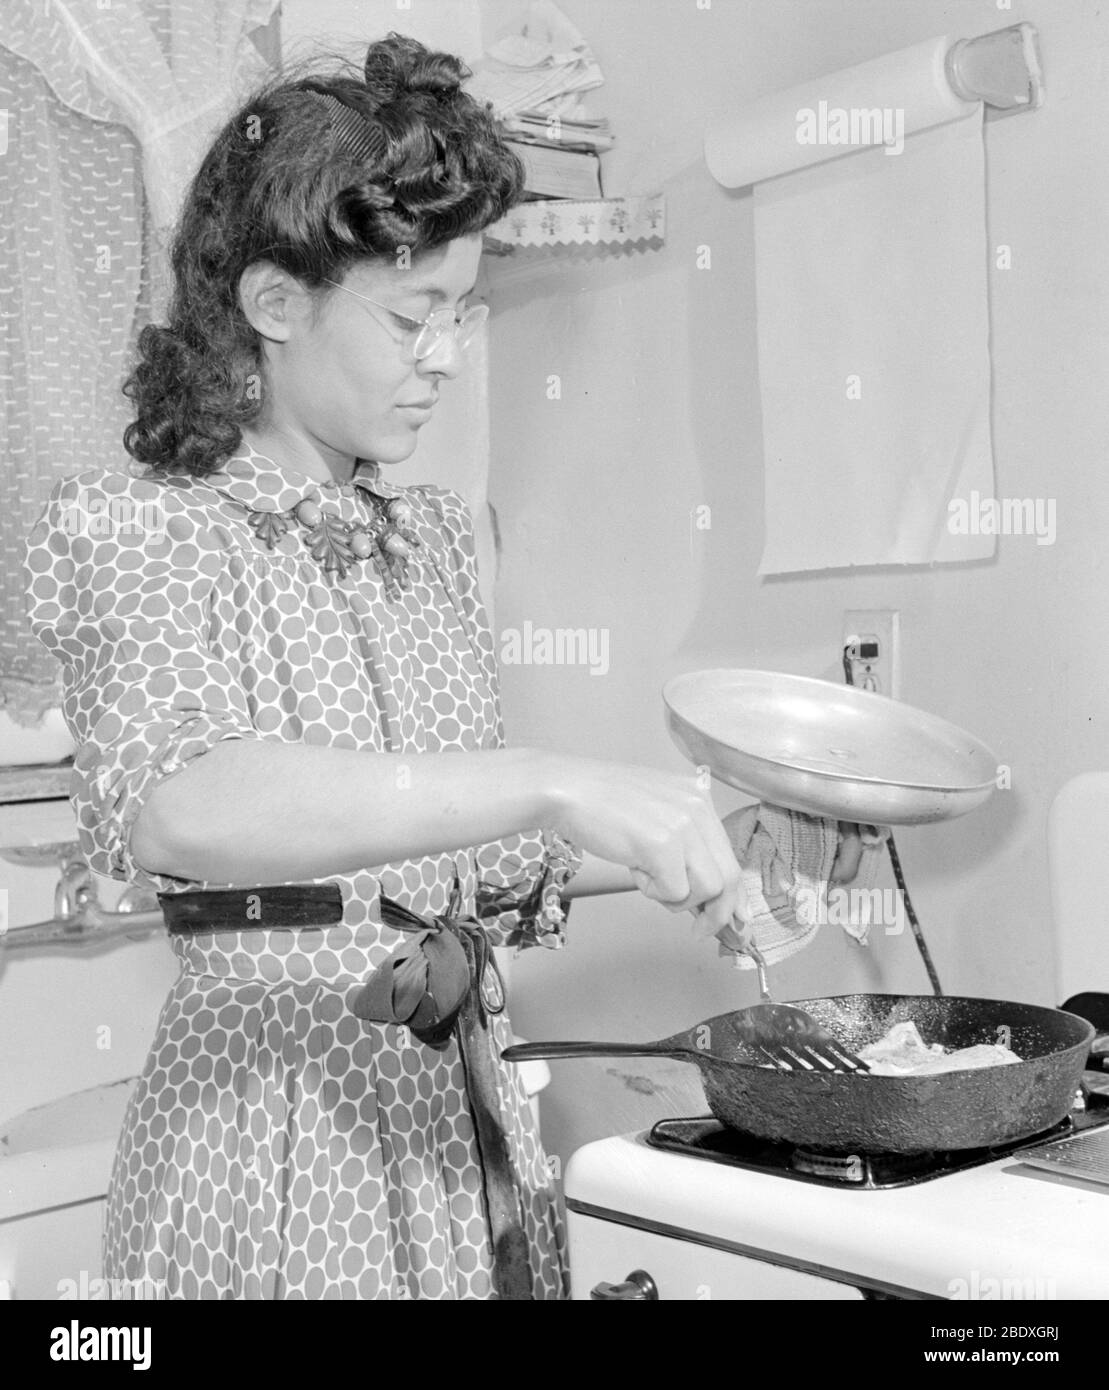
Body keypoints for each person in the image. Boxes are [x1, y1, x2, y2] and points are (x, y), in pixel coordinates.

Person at [22, 35, 854, 1301]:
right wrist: (547, 775)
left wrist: (696, 828)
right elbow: (183, 802)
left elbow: (461, 857)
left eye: (463, 313)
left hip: (459, 1135)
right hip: (277, 1151)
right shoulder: (143, 531)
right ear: (272, 300)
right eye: (415, 315)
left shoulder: (437, 545)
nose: (450, 355)